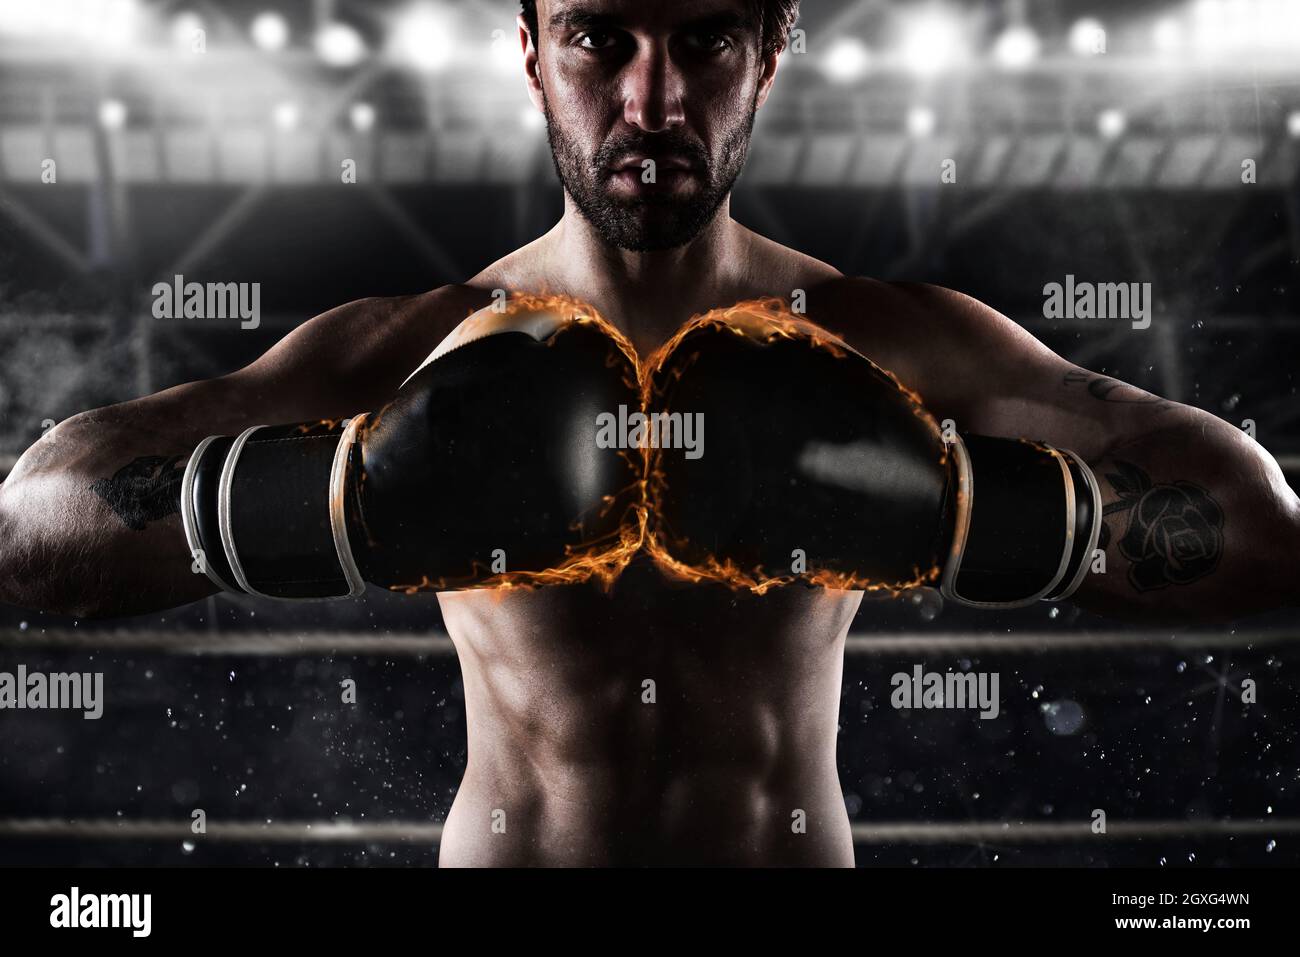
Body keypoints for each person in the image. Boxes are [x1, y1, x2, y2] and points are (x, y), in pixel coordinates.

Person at [0, 0, 1294, 866]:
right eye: (598, 40)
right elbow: (37, 523)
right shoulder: (424, 344)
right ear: (528, 52)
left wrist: (959, 509)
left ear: (772, 56)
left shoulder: (885, 340)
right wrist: (339, 496)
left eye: (708, 41)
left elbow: (1256, 530)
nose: (655, 98)